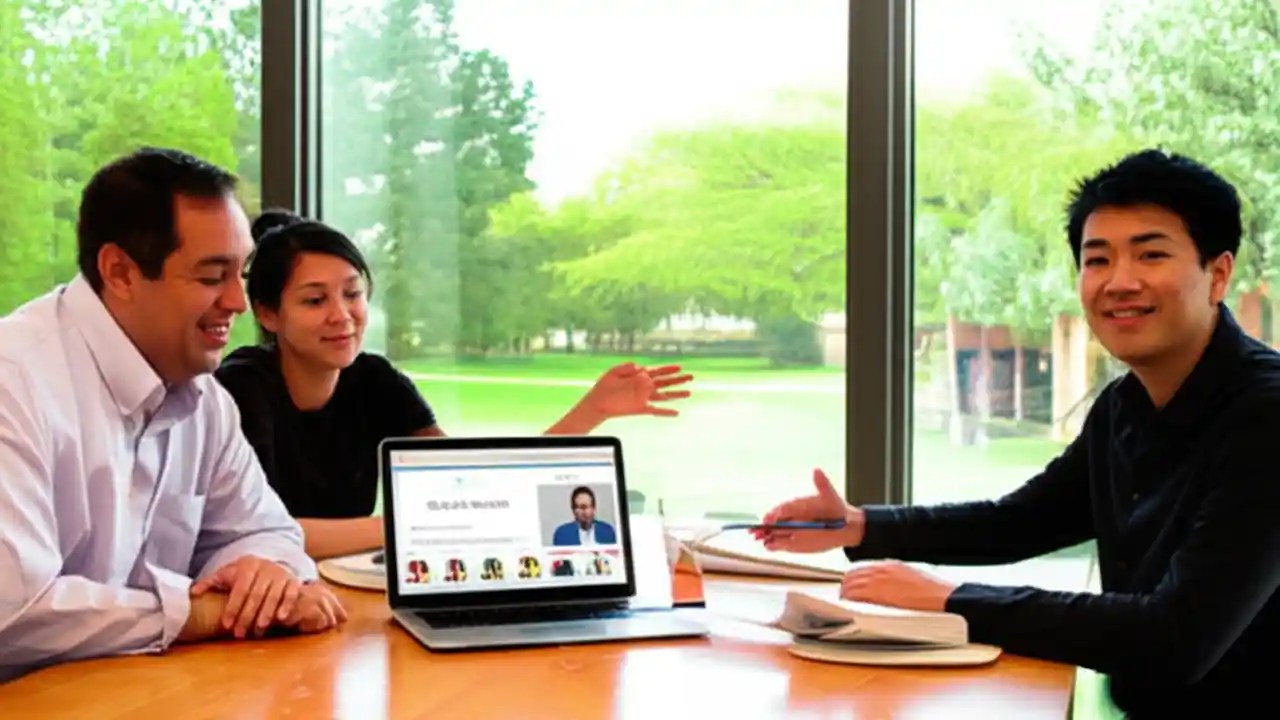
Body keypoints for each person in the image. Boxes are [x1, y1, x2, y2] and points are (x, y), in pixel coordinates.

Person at [754, 148, 1280, 716]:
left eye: (1151, 255)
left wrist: (951, 599)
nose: (1119, 282)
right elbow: (1021, 520)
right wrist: (860, 524)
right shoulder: (1124, 404)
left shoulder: (1266, 414)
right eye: (1097, 259)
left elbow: (1176, 638)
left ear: (1217, 274)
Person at [0, 148, 346, 683]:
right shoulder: (15, 380)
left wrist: (264, 578)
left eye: (241, 273)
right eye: (212, 277)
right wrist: (201, 613)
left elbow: (268, 531)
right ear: (120, 272)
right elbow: (15, 610)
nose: (239, 301)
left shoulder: (203, 396)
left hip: (129, 692)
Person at [214, 210, 692, 560]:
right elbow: (262, 532)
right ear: (268, 314)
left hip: (344, 590)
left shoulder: (374, 379)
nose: (342, 315)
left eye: (353, 293)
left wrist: (592, 410)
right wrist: (414, 524)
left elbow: (469, 479)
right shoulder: (241, 388)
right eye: (315, 300)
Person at [552, 486, 618, 546]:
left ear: (594, 508)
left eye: (584, 507)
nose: (581, 512)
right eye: (577, 507)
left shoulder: (607, 531)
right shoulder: (562, 534)